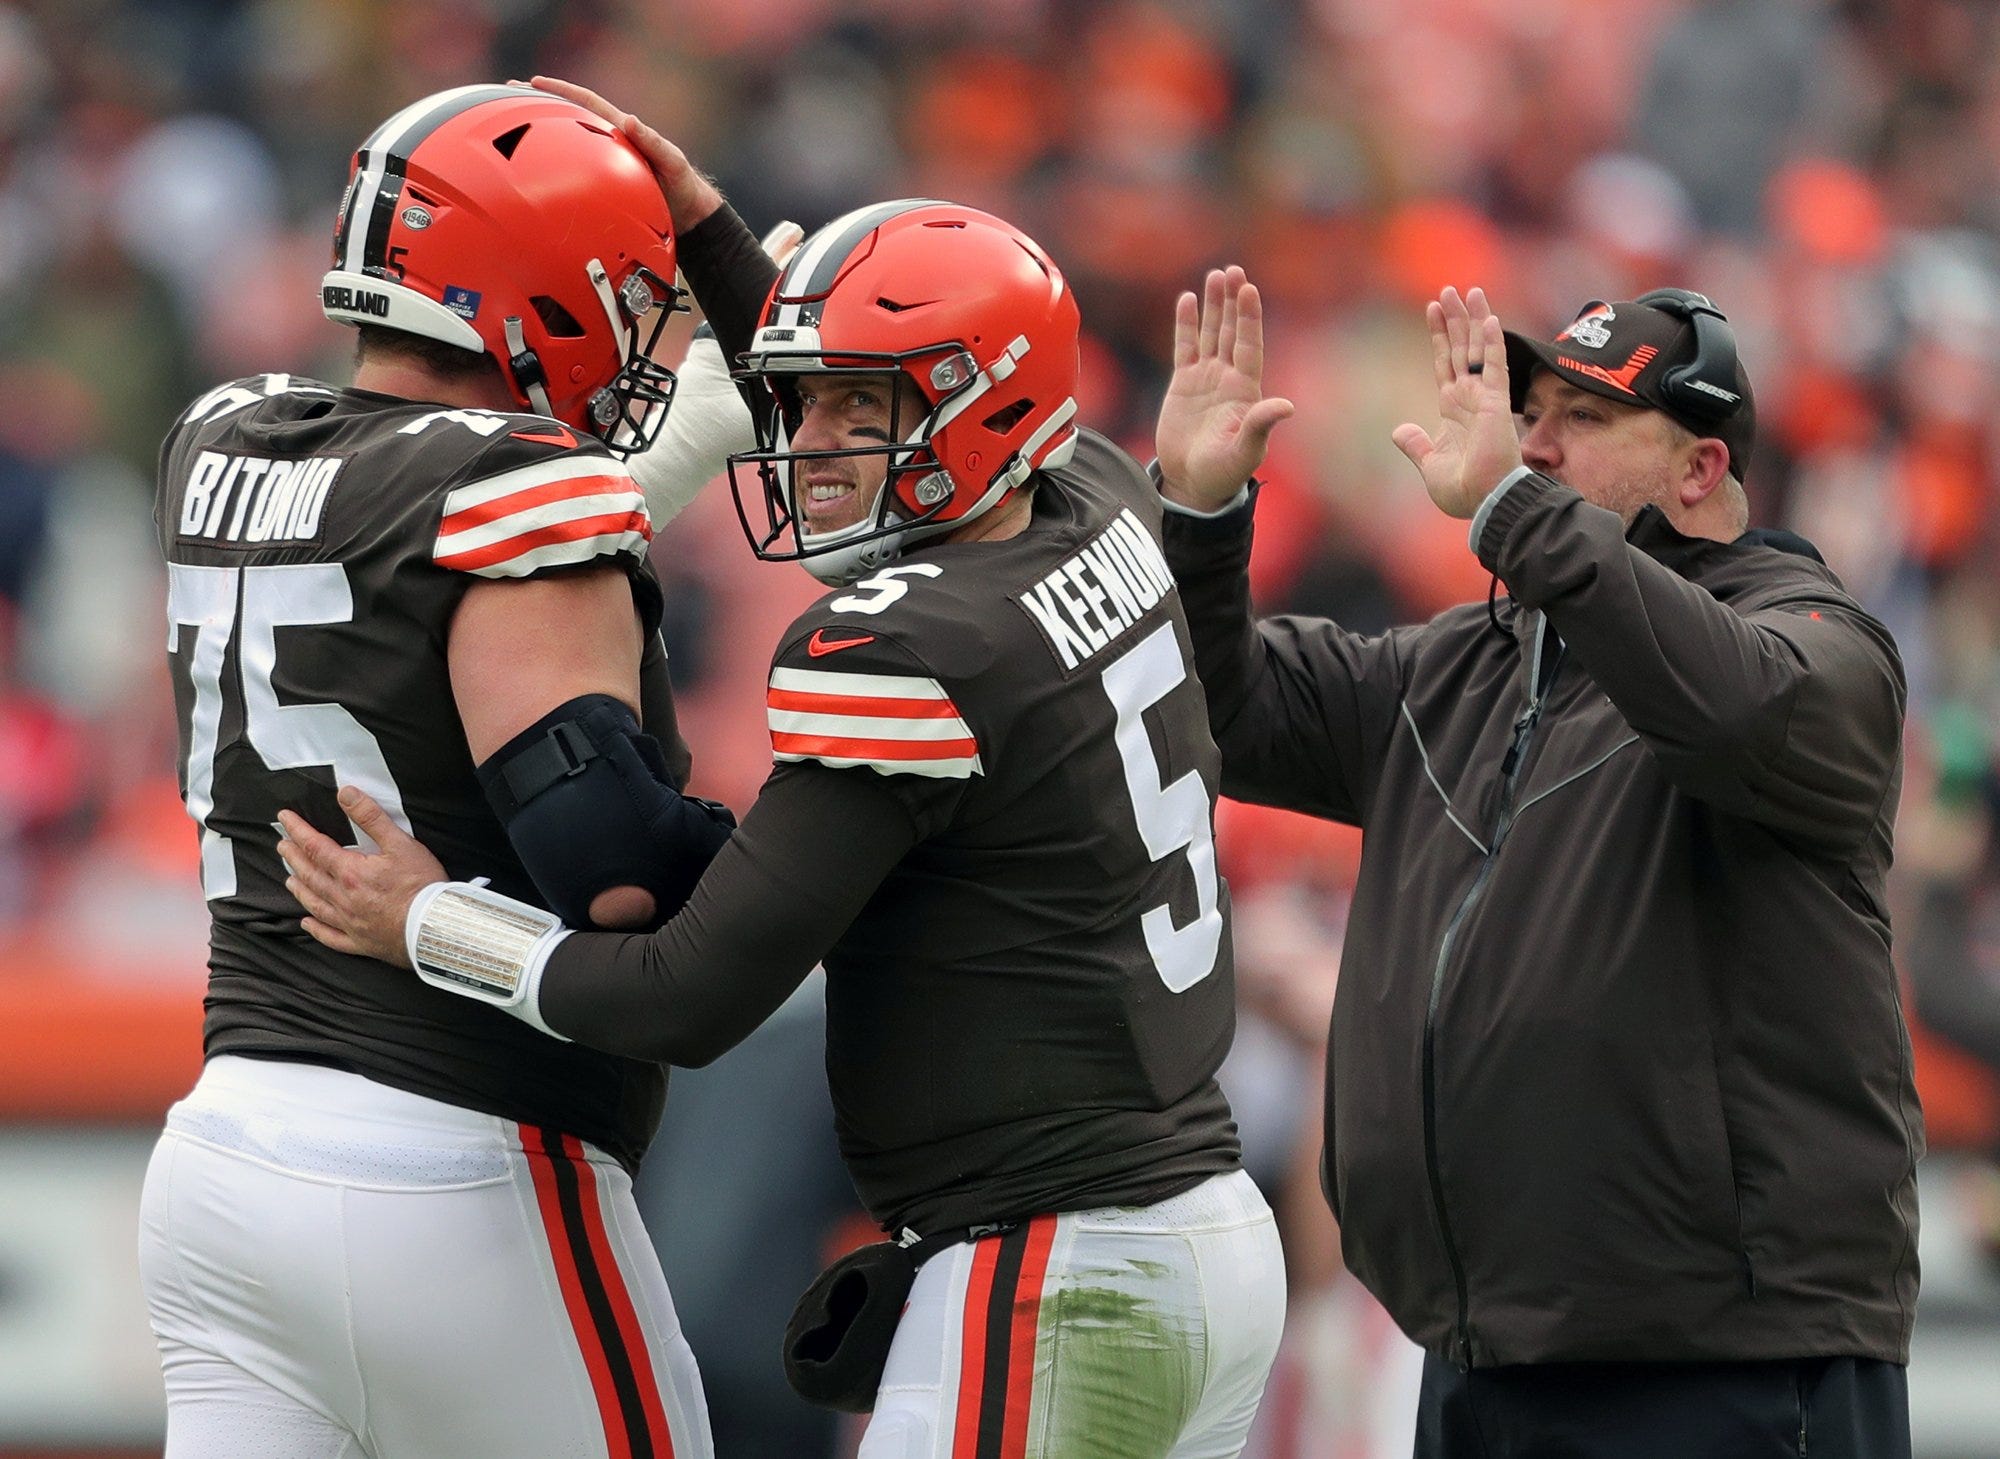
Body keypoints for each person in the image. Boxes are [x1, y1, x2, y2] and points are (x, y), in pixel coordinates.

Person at [277, 79, 1290, 1459]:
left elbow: (687, 992)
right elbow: (888, 369)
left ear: (980, 408)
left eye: (848, 413)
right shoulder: (1091, 495)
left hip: (1064, 1270)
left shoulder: (906, 645)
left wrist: (426, 921)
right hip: (1180, 1230)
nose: (805, 445)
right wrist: (709, 228)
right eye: (805, 406)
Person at [1153, 276, 1922, 1456]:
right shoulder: (1459, 665)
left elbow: (1732, 708)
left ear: (1700, 470)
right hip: (1482, 1353)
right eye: (1530, 415)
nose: (1535, 444)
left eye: (1587, 418)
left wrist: (1517, 513)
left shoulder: (1812, 640)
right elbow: (1224, 705)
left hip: (1728, 1365)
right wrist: (1202, 519)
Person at [139, 83, 744, 1459]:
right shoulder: (525, 489)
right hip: (459, 1158)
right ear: (541, 289)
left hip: (226, 1154)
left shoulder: (222, 438)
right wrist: (810, 851)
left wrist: (643, 480)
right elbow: (620, 872)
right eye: (629, 294)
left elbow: (414, 560)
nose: (647, 333)